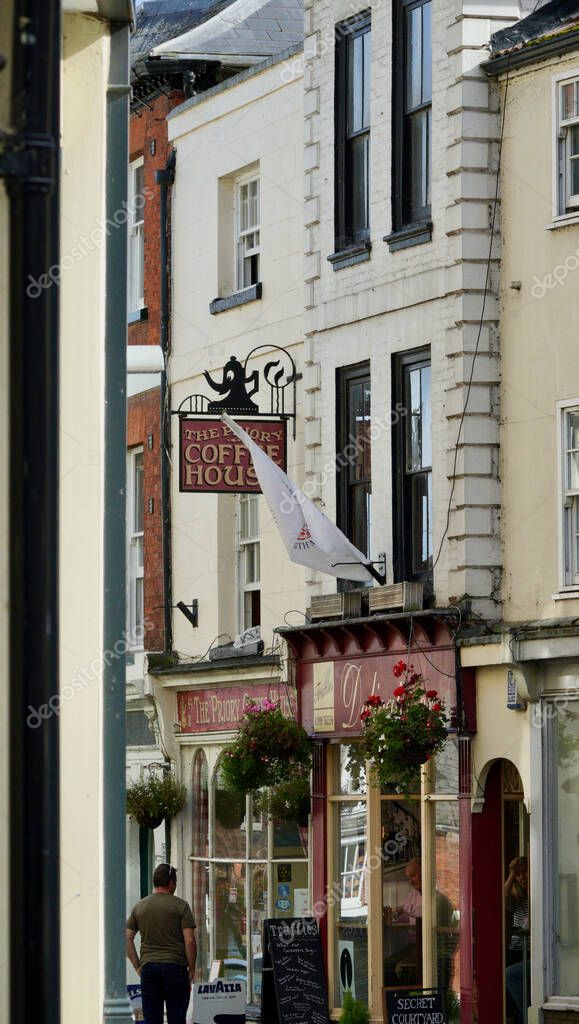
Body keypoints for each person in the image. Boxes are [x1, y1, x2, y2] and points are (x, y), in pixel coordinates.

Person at [126, 863, 197, 1024]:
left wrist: (137, 965)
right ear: (171, 882)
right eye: (176, 882)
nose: (176, 885)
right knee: (177, 1018)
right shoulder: (181, 906)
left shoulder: (139, 906)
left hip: (149, 968)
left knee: (152, 1018)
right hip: (175, 967)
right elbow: (190, 940)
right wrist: (191, 969)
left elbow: (127, 938)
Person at [384, 858, 458, 990]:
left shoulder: (438, 899)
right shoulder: (414, 894)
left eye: (413, 875)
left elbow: (422, 914)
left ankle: (411, 1000)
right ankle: (401, 1003)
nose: (411, 881)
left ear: (425, 872)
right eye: (408, 877)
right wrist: (394, 913)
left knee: (436, 990)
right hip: (416, 946)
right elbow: (404, 911)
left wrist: (402, 909)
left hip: (435, 951)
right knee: (387, 966)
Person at [504, 856, 530, 1024]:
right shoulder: (517, 896)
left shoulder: (536, 895)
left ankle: (529, 1016)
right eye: (519, 874)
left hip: (530, 950)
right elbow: (502, 900)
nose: (522, 877)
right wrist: (511, 874)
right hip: (516, 949)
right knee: (515, 996)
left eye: (524, 872)